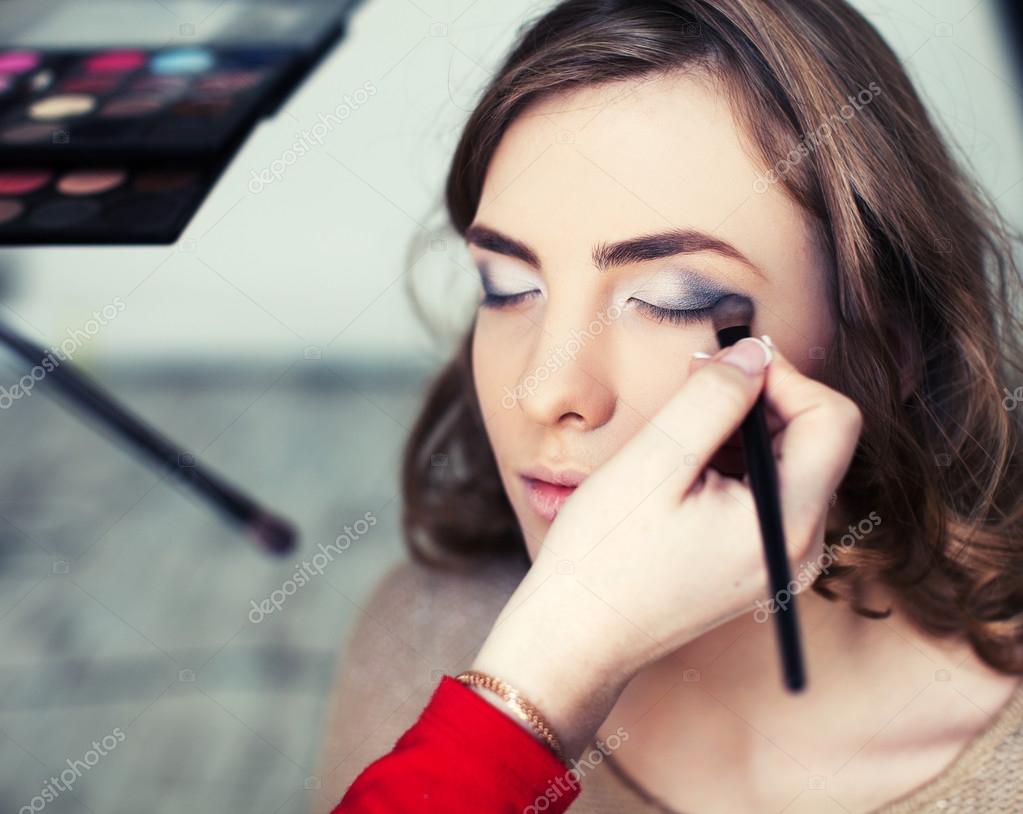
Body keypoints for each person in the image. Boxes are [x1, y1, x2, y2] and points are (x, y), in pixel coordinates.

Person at [316, 1, 1023, 811]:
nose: (543, 391)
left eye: (671, 299)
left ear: (889, 346)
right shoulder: (419, 641)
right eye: (505, 286)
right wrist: (533, 685)